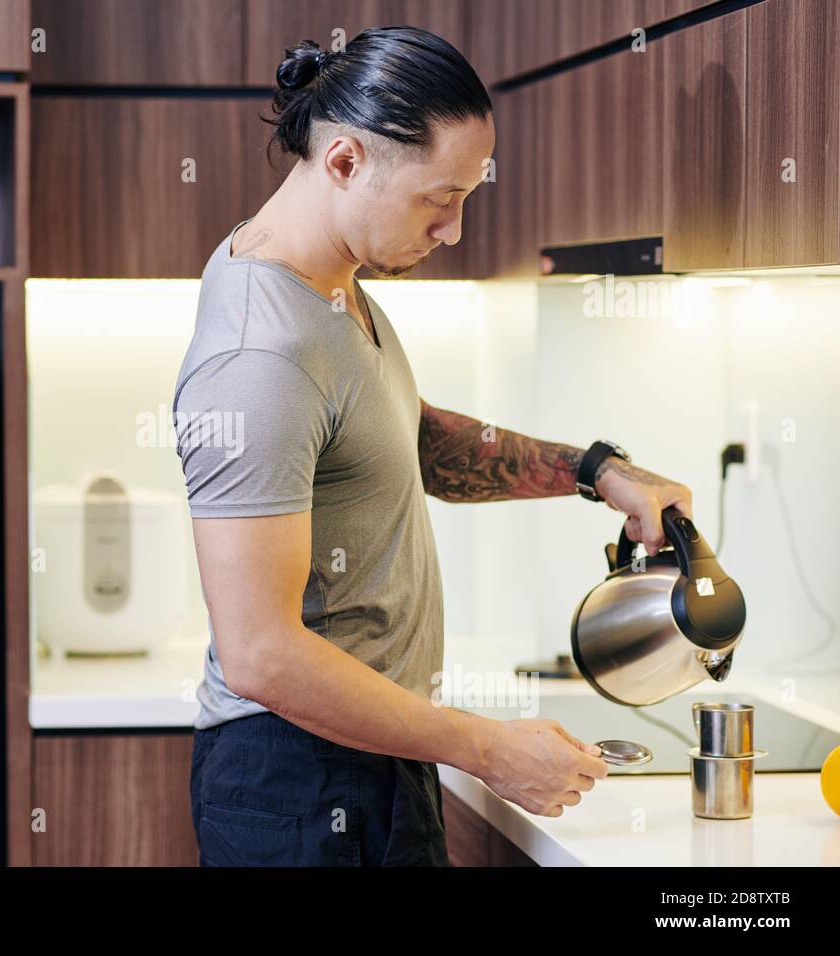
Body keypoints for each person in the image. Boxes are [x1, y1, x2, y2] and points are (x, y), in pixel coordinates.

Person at [172, 26, 693, 867]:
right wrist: (486, 748)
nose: (452, 229)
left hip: (367, 752)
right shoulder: (257, 355)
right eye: (437, 198)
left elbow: (395, 435)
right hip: (299, 780)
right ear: (344, 161)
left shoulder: (327, 287)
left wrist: (596, 471)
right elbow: (262, 655)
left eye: (468, 196)